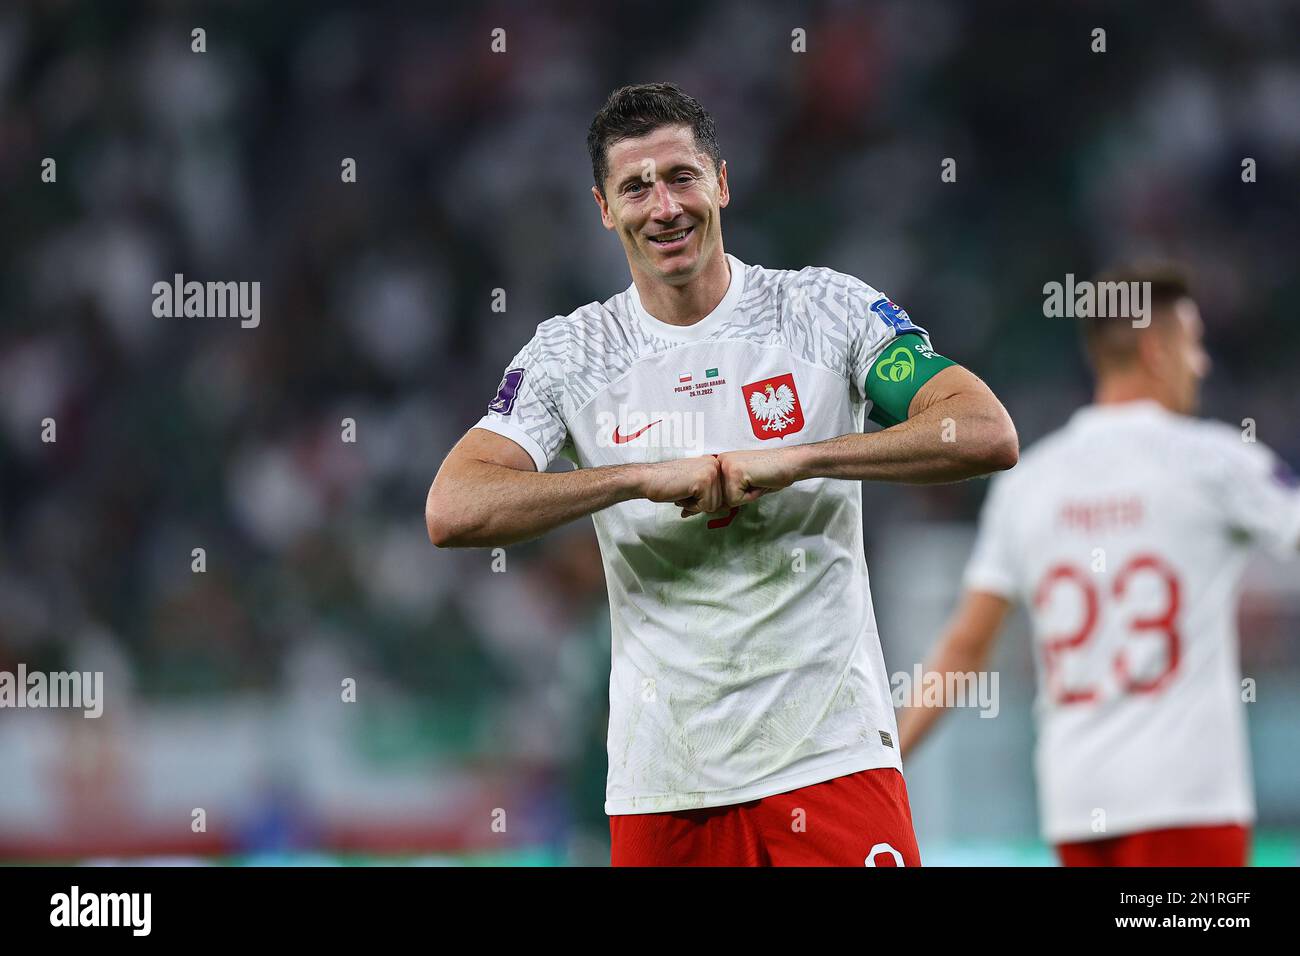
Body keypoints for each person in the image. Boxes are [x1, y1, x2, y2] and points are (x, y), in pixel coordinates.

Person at [426, 82, 1018, 866]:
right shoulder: (572, 354)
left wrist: (801, 458)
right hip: (665, 783)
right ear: (604, 208)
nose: (663, 206)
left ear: (722, 183)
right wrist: (635, 479)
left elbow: (983, 430)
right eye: (635, 187)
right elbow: (453, 507)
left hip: (831, 758)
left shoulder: (822, 310)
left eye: (681, 176)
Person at [898, 264, 1300, 866]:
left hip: (1078, 803)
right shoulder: (1214, 461)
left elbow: (964, 647)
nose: (1202, 364)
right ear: (1155, 349)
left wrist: (885, 761)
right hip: (1188, 802)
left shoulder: (1030, 480)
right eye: (1194, 345)